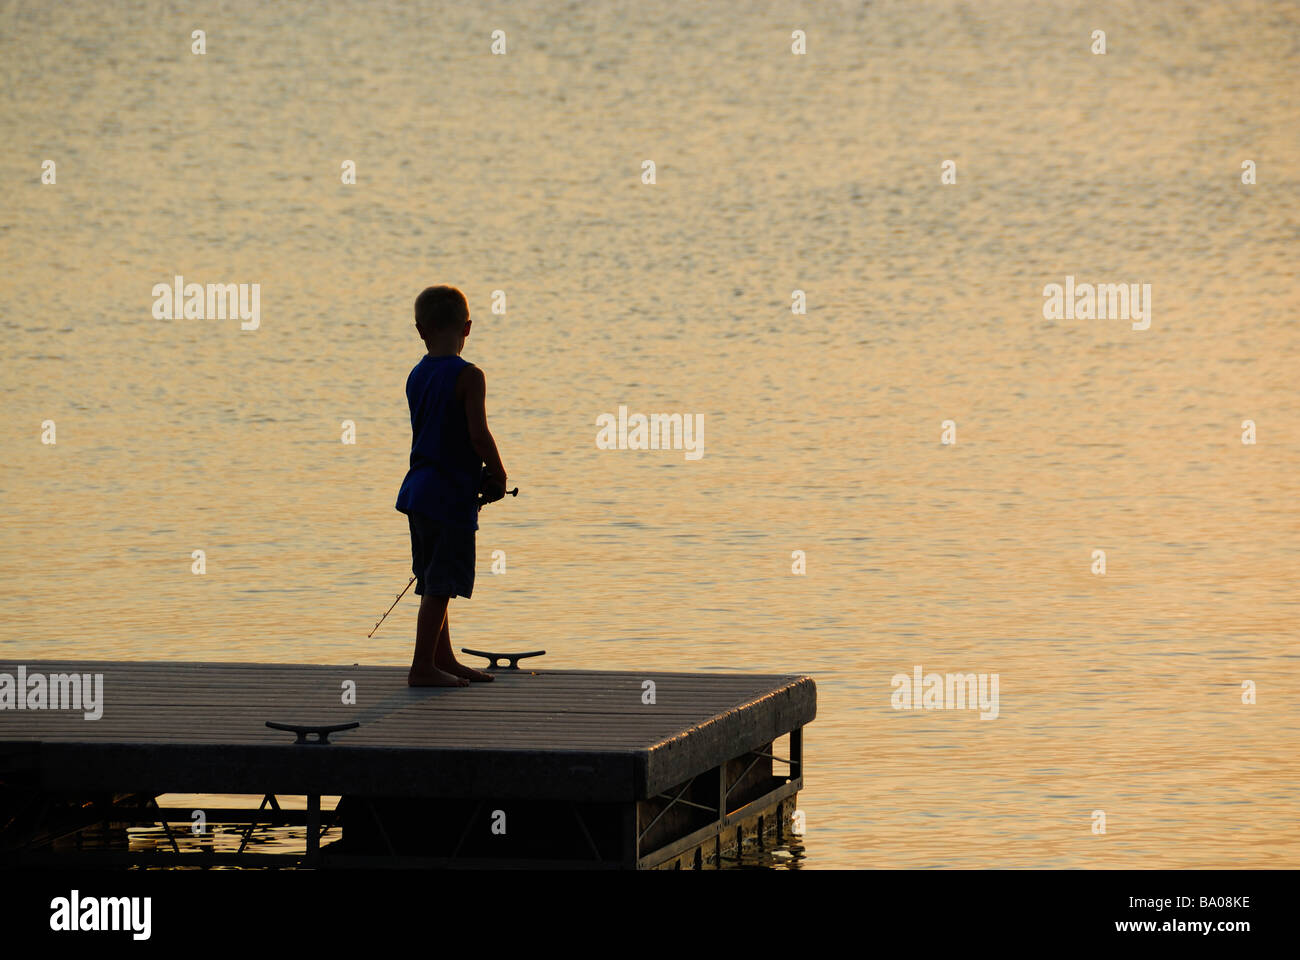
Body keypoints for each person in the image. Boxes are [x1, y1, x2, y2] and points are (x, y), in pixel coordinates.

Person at [395, 285, 508, 686]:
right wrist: (498, 473)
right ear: (468, 327)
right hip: (449, 496)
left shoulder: (417, 374)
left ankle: (442, 658)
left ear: (420, 330)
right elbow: (478, 434)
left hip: (418, 491)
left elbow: (438, 434)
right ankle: (422, 667)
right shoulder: (469, 376)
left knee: (432, 579)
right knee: (441, 584)